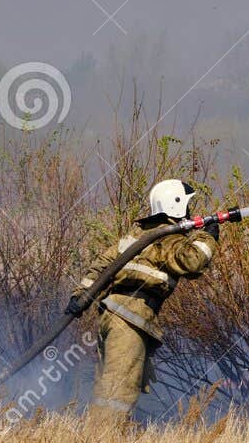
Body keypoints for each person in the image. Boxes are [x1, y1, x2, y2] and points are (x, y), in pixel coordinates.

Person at [66, 179, 221, 425]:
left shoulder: (136, 237)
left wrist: (80, 295)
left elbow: (101, 265)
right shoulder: (167, 240)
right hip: (129, 318)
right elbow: (192, 261)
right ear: (177, 205)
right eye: (188, 207)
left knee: (111, 384)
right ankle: (103, 442)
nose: (190, 213)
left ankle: (104, 437)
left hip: (113, 315)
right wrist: (208, 236)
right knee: (118, 389)